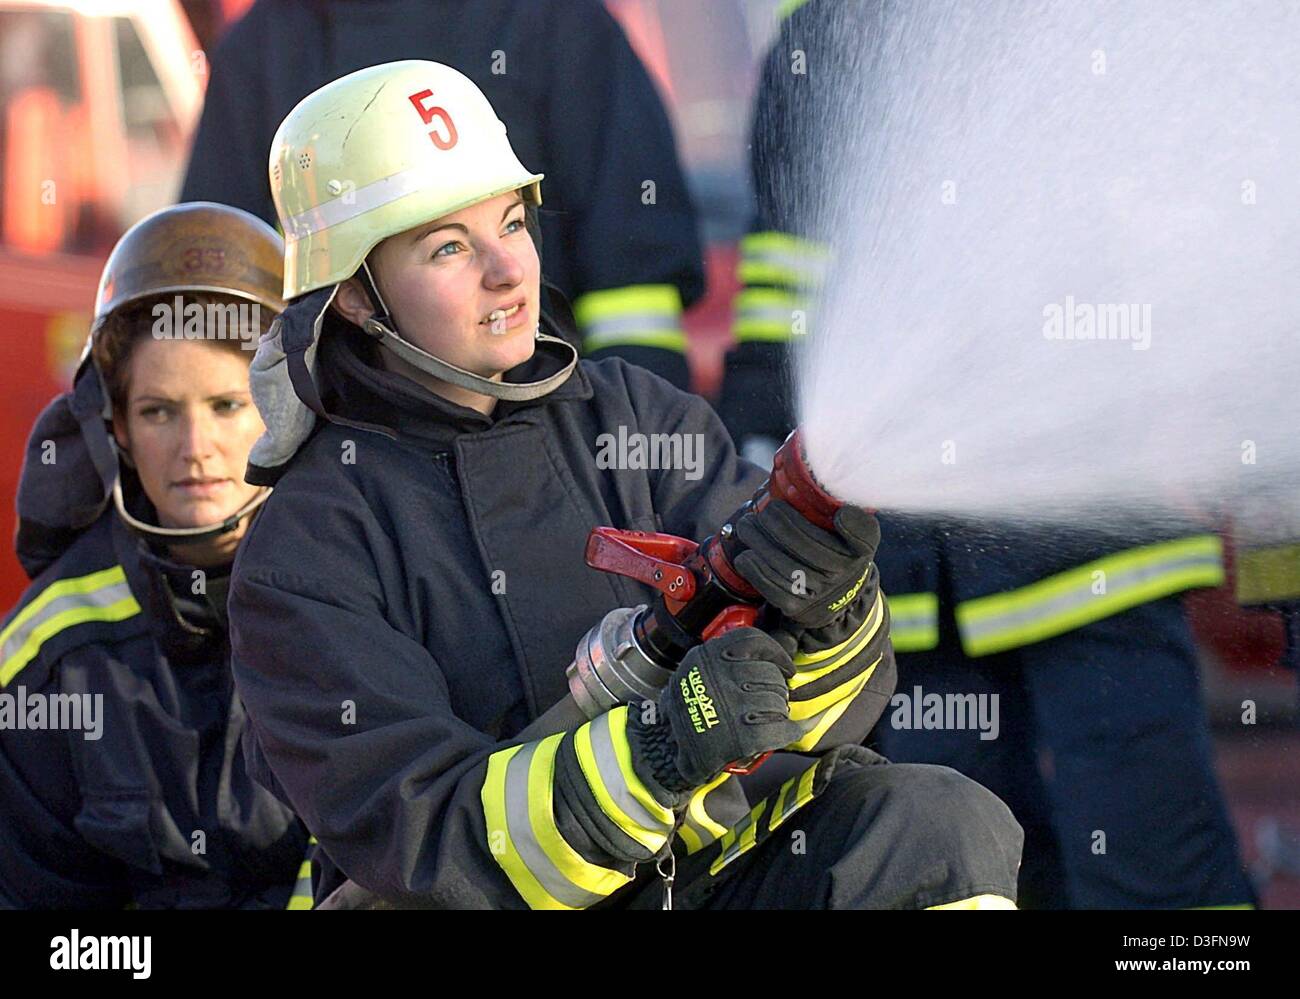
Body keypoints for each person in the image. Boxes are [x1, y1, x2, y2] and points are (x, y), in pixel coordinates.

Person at [226, 59, 1021, 910]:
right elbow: (435, 842)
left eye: (511, 223)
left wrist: (820, 606)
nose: (507, 270)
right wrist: (655, 752)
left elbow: (843, 708)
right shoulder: (306, 553)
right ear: (352, 297)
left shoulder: (637, 420)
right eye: (449, 247)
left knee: (932, 828)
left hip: (692, 879)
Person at [716, 0, 1254, 909]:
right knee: (967, 863)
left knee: (1151, 855)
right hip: (914, 571)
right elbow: (785, 277)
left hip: (1091, 533)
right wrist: (760, 447)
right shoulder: (823, 39)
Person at [0, 203, 313, 909]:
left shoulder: (369, 601)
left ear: (287, 409)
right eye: (158, 411)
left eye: (227, 405)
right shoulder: (49, 656)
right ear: (114, 429)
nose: (194, 446)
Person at [179, 0, 704, 391]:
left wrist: (628, 450)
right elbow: (218, 283)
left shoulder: (554, 20)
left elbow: (636, 277)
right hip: (352, 433)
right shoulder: (260, 53)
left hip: (551, 420)